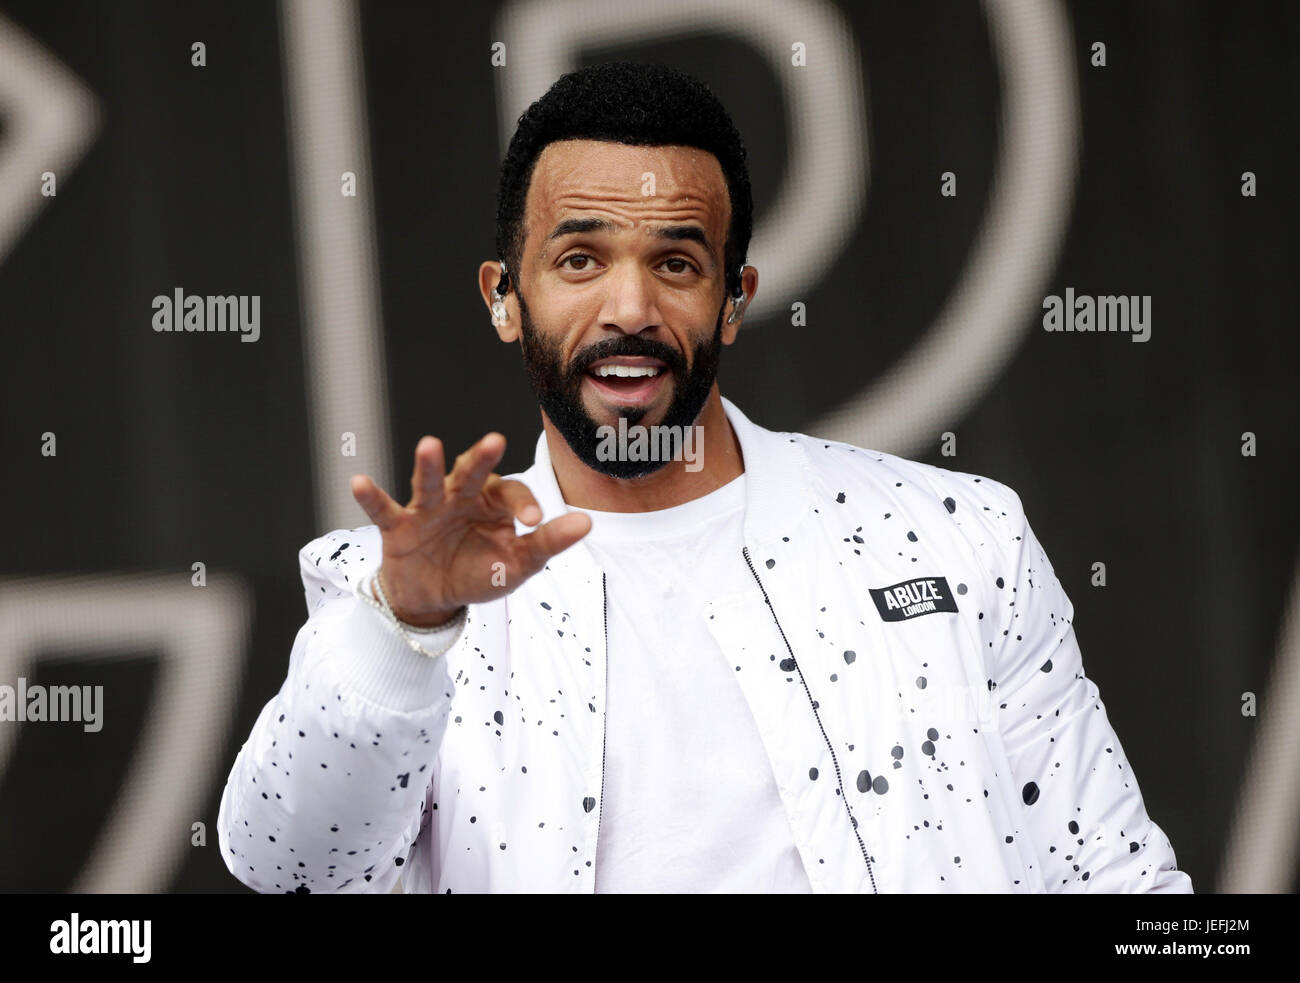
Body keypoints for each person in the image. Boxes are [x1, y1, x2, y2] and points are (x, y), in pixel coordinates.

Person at [217, 61, 1191, 894]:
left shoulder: (952, 534)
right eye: (580, 257)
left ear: (732, 302)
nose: (629, 305)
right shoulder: (387, 589)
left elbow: (1111, 873)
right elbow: (288, 866)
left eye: (675, 263)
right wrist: (405, 628)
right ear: (505, 297)